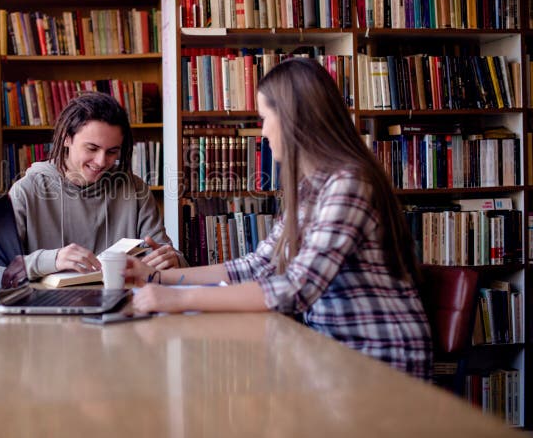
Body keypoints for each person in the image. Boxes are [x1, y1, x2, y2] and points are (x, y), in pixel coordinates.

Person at [125, 58, 432, 380]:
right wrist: (156, 278)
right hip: (328, 349)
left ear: (291, 119)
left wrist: (178, 298)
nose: (264, 132)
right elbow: (258, 265)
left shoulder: (350, 184)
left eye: (264, 119)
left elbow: (297, 287)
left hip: (379, 358)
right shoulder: (312, 186)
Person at [9, 91, 184, 280]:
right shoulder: (24, 192)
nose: (101, 162)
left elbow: (173, 261)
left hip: (125, 303)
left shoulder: (135, 189)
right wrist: (53, 260)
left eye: (112, 151)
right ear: (66, 138)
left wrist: (173, 260)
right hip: (47, 306)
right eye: (92, 148)